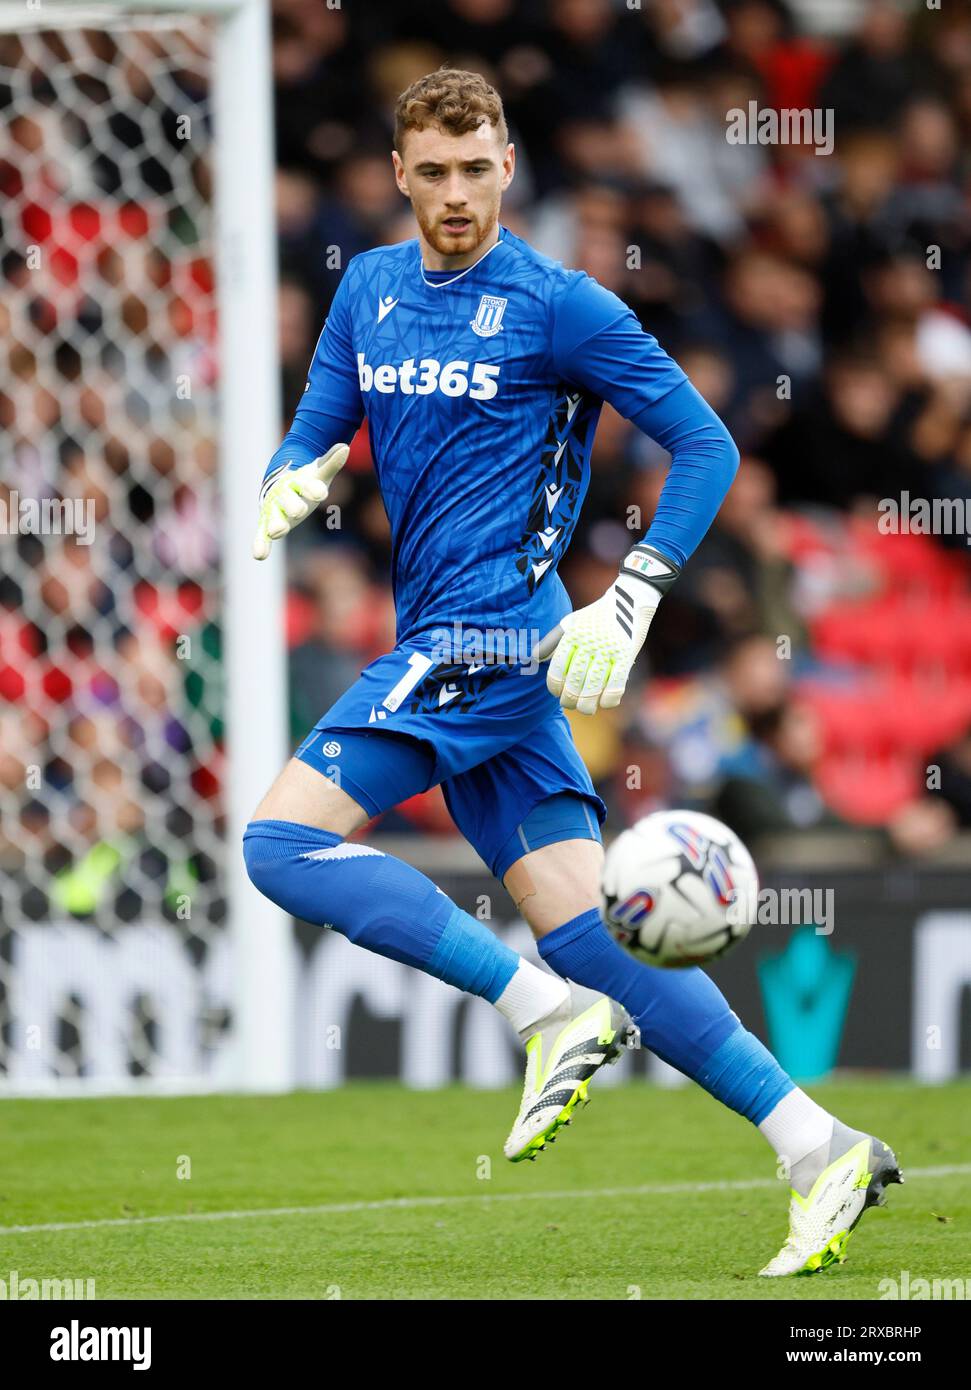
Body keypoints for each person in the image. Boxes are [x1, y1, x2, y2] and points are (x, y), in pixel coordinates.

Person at [243, 67, 900, 1276]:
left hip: (493, 641)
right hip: (438, 640)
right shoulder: (370, 291)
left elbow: (701, 443)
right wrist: (297, 470)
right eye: (428, 171)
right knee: (595, 937)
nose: (452, 193)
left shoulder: (561, 305)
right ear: (397, 175)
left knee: (276, 848)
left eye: (474, 166)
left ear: (508, 166)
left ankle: (537, 1011)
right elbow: (321, 417)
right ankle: (818, 1145)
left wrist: (636, 589)